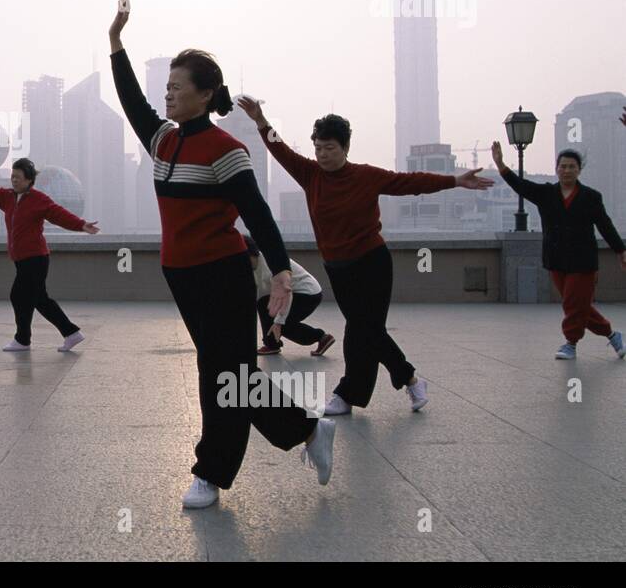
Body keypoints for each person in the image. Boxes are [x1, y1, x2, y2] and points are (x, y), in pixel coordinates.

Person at [108, 0, 335, 510]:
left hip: (223, 276)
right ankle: (309, 432)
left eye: (177, 87)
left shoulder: (227, 151)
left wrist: (280, 271)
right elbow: (131, 102)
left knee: (222, 377)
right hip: (181, 277)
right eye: (165, 86)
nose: (166, 95)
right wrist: (116, 41)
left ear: (206, 94)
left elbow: (257, 213)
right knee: (234, 375)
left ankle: (210, 474)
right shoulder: (164, 140)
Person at [239, 96, 493, 416]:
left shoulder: (365, 175)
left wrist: (455, 180)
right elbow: (280, 151)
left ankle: (347, 395)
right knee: (368, 330)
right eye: (318, 147)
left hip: (371, 263)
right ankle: (410, 378)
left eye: (329, 147)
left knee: (361, 330)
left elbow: (409, 183)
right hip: (338, 269)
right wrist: (261, 122)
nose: (322, 154)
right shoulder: (310, 174)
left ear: (345, 148)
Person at [491, 142, 626, 359]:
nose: (567, 170)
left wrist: (621, 250)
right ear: (557, 169)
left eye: (572, 166)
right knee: (577, 305)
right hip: (556, 259)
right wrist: (501, 165)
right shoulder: (546, 193)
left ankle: (570, 343)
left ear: (579, 170)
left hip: (583, 261)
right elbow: (521, 186)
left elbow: (605, 225)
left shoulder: (591, 197)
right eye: (563, 166)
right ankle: (612, 334)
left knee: (573, 304)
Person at [0, 153, 98, 352]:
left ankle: (26, 339)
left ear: (29, 180)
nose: (14, 180)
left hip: (36, 259)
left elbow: (59, 214)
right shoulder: (7, 198)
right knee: (36, 299)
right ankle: (67, 334)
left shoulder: (38, 200)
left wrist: (81, 225)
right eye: (12, 177)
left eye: (18, 177)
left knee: (22, 296)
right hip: (22, 260)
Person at [243, 236, 332, 357]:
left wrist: (279, 321)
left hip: (308, 294)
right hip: (296, 292)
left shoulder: (270, 264)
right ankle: (272, 344)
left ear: (252, 253)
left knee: (283, 325)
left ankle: (321, 337)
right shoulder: (253, 267)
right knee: (263, 303)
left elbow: (287, 294)